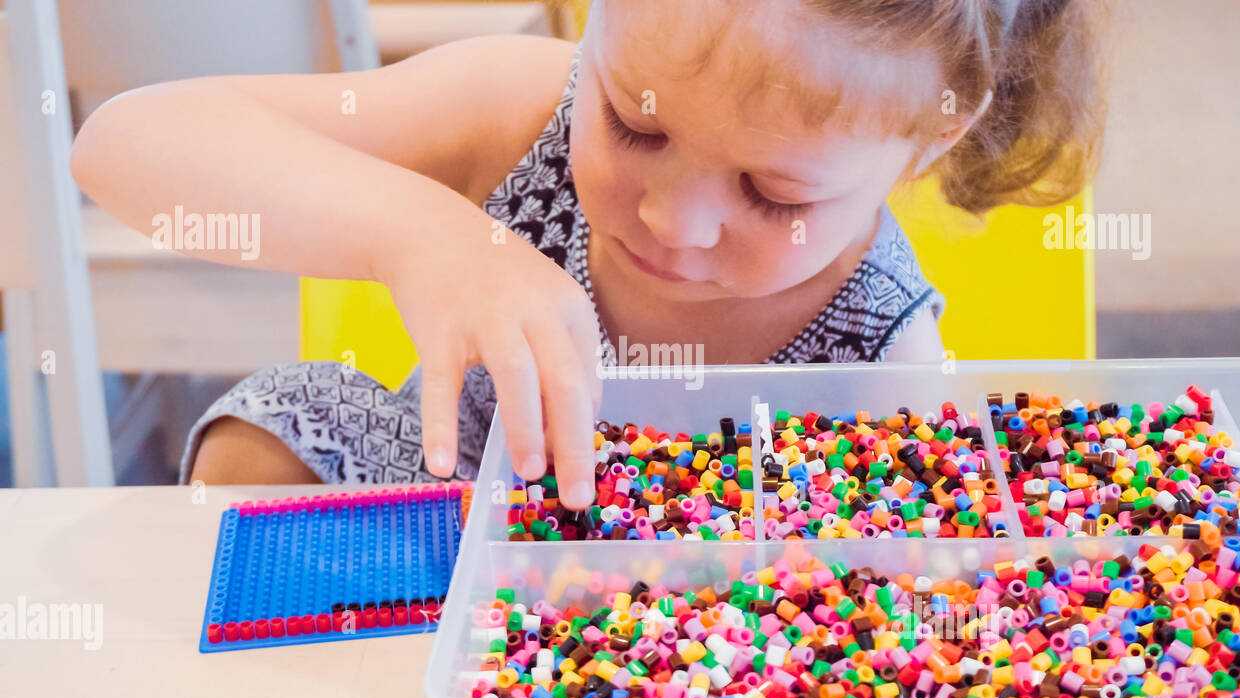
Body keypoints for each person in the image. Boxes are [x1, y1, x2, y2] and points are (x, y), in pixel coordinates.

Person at [71, 0, 1104, 509]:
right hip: (427, 558)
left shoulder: (887, 355)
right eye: (636, 126)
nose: (673, 219)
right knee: (265, 441)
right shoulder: (520, 107)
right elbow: (123, 143)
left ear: (931, 138)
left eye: (770, 192)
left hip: (700, 625)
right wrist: (422, 230)